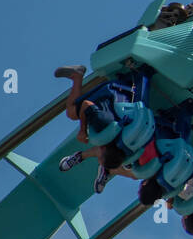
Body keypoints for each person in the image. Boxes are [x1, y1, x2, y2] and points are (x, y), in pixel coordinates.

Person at [53, 65, 138, 193]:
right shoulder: (102, 125)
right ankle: (77, 76)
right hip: (114, 92)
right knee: (71, 112)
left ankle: (83, 157)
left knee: (134, 172)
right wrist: (82, 130)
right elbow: (86, 105)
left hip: (129, 102)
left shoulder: (127, 142)